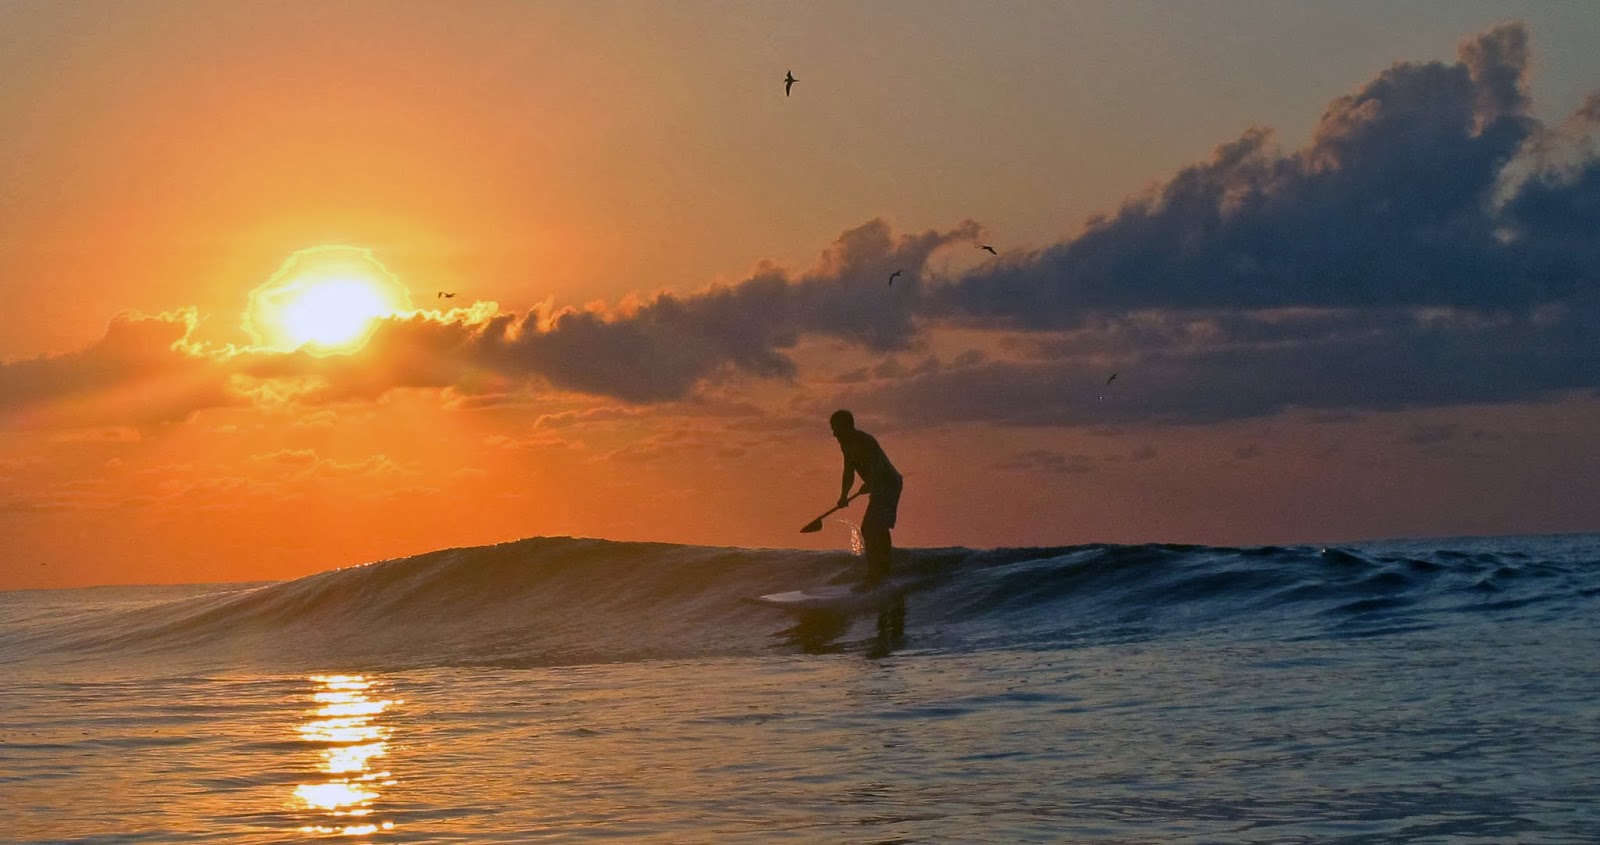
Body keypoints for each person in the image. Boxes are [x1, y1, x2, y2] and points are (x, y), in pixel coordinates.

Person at [829, 409, 903, 588]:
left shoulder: (865, 441)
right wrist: (843, 496)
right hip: (877, 486)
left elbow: (877, 466)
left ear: (847, 426)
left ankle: (876, 575)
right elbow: (849, 472)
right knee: (876, 527)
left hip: (888, 484)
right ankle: (882, 572)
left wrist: (871, 482)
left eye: (836, 428)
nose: (834, 433)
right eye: (832, 429)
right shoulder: (845, 444)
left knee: (870, 527)